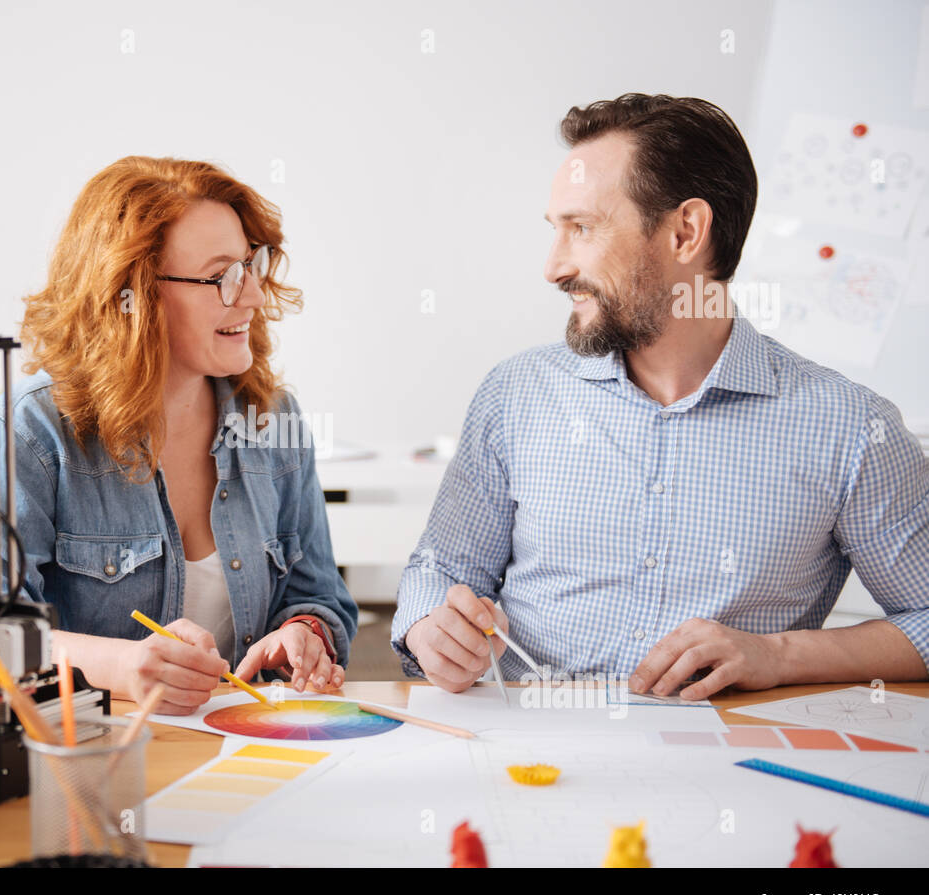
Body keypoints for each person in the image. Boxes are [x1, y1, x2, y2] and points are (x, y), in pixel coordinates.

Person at [392, 94, 928, 699]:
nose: (553, 266)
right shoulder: (516, 394)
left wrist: (777, 655)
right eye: (555, 230)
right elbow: (442, 570)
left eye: (583, 228)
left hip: (726, 774)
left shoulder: (852, 428)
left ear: (685, 231)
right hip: (523, 759)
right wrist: (428, 628)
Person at [0, 156, 356, 715]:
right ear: (133, 295)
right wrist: (120, 668)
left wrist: (305, 633)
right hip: (100, 767)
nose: (255, 297)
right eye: (223, 276)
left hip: (244, 754)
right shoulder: (36, 432)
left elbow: (319, 597)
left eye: (250, 266)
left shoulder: (273, 420)